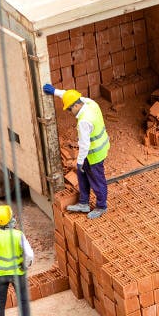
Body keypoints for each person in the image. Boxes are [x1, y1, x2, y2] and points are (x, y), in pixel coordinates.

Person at [43, 83, 110, 219]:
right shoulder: (89, 103)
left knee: (97, 180)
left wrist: (79, 162)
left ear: (76, 106)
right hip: (96, 149)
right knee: (82, 174)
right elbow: (68, 94)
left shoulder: (84, 121)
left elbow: (84, 145)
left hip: (94, 154)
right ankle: (84, 203)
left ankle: (101, 206)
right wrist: (55, 91)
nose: (69, 112)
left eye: (69, 109)